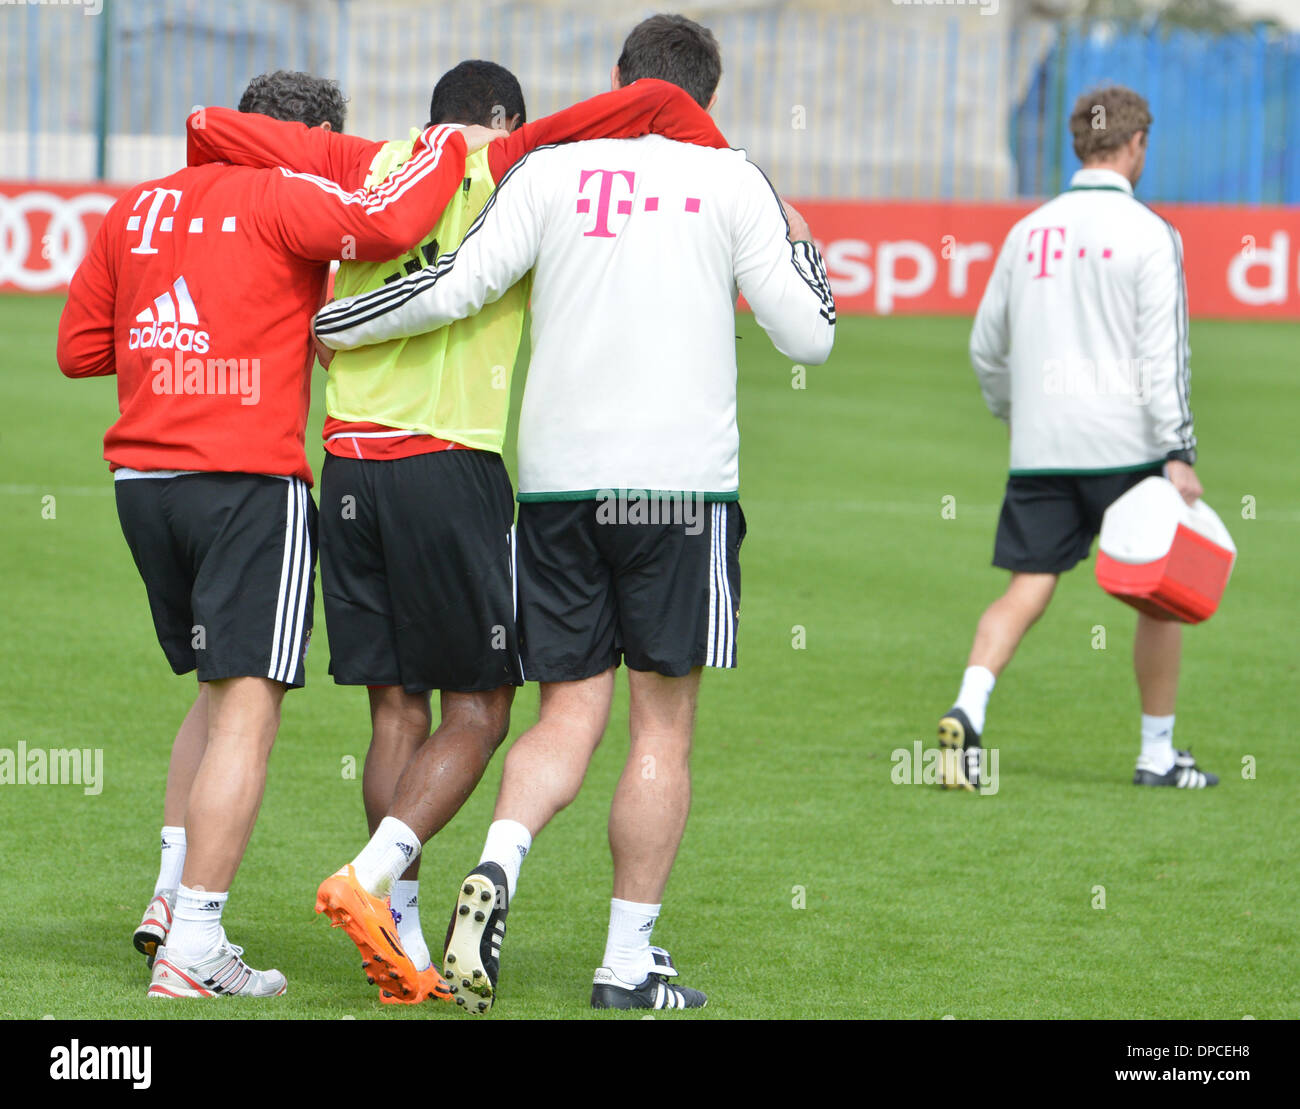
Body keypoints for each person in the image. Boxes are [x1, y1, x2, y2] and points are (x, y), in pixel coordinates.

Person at [314, 14, 836, 1012]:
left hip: (557, 489)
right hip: (679, 488)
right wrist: (801, 245)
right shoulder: (733, 179)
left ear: (616, 79)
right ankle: (626, 961)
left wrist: (339, 320)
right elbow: (807, 337)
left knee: (566, 713)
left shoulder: (550, 170)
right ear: (707, 96)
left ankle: (488, 864)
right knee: (661, 731)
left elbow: (455, 286)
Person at [187, 66, 730, 1003]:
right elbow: (654, 102)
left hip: (348, 462)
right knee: (480, 710)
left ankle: (400, 934)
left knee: (395, 713)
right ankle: (371, 881)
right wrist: (726, 164)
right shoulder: (515, 161)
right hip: (447, 461)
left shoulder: (365, 163)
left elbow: (215, 128)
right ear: (505, 116)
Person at [56, 69, 502, 998]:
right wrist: (442, 144)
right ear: (309, 141)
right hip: (246, 483)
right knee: (248, 706)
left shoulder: (139, 205)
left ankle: (169, 892)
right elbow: (390, 223)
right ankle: (195, 944)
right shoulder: (284, 192)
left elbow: (79, 348)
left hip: (142, 485)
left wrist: (188, 347)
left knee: (217, 692)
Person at [937, 85, 1216, 792]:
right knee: (1160, 599)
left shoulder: (1028, 230)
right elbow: (1163, 354)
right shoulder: (1151, 233)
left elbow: (985, 348)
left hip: (1043, 447)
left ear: (1078, 143)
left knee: (1027, 586)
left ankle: (967, 710)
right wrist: (1178, 449)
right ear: (1136, 143)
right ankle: (1157, 754)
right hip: (1129, 450)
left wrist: (1014, 411)